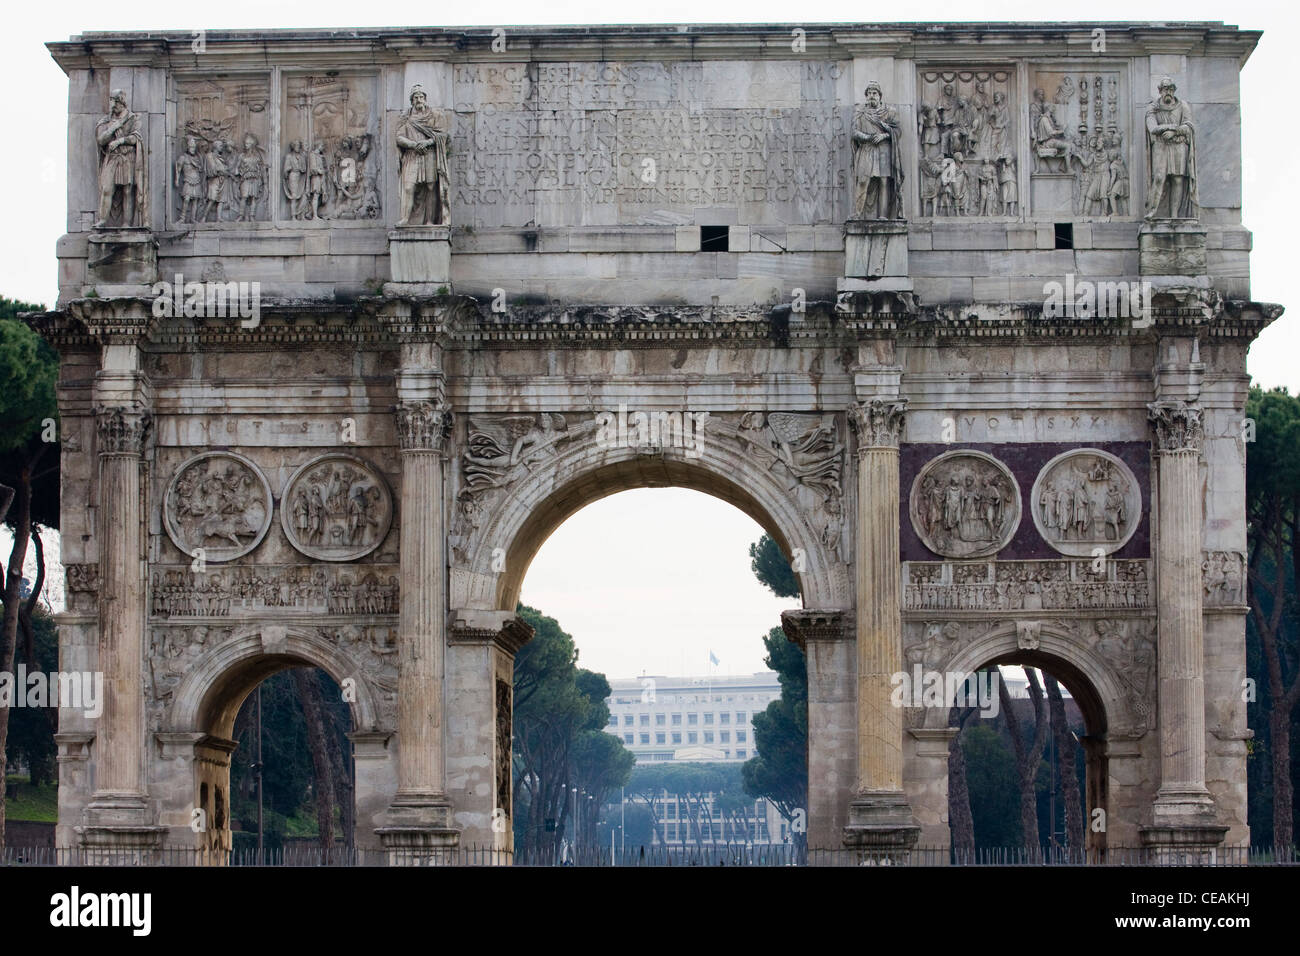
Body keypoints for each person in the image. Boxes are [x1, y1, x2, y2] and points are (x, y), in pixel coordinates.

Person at [395, 85, 452, 225]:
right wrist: (413, 145)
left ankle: (430, 221)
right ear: (412, 101)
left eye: (421, 97)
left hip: (430, 154)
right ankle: (405, 218)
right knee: (408, 187)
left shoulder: (435, 116)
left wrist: (426, 143)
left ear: (425, 99)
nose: (419, 100)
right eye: (416, 97)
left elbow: (443, 135)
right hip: (412, 155)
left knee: (431, 186)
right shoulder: (406, 117)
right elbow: (399, 137)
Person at [1144, 77, 1198, 219]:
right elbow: (1152, 128)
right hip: (1161, 145)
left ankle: (1174, 216)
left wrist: (1175, 132)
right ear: (1160, 91)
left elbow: (1189, 126)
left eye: (1170, 89)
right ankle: (1153, 210)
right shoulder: (1153, 108)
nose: (1168, 92)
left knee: (1178, 179)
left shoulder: (1183, 105)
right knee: (1159, 177)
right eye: (1165, 89)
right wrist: (1171, 127)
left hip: (1178, 144)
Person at [95, 89, 148, 228]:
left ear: (121, 102)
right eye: (112, 101)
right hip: (112, 158)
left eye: (115, 102)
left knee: (127, 190)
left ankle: (126, 223)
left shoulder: (132, 118)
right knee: (107, 189)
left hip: (127, 157)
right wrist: (114, 127)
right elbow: (101, 140)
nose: (113, 105)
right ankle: (102, 220)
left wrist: (120, 141)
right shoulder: (106, 120)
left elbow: (136, 138)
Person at [851, 82, 903, 219]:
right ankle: (857, 214)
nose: (871, 96)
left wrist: (884, 135)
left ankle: (883, 215)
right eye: (869, 93)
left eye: (874, 93)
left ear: (880, 96)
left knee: (884, 181)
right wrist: (868, 137)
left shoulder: (890, 111)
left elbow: (898, 131)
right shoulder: (860, 112)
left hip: (883, 149)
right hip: (866, 149)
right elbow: (854, 132)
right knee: (863, 180)